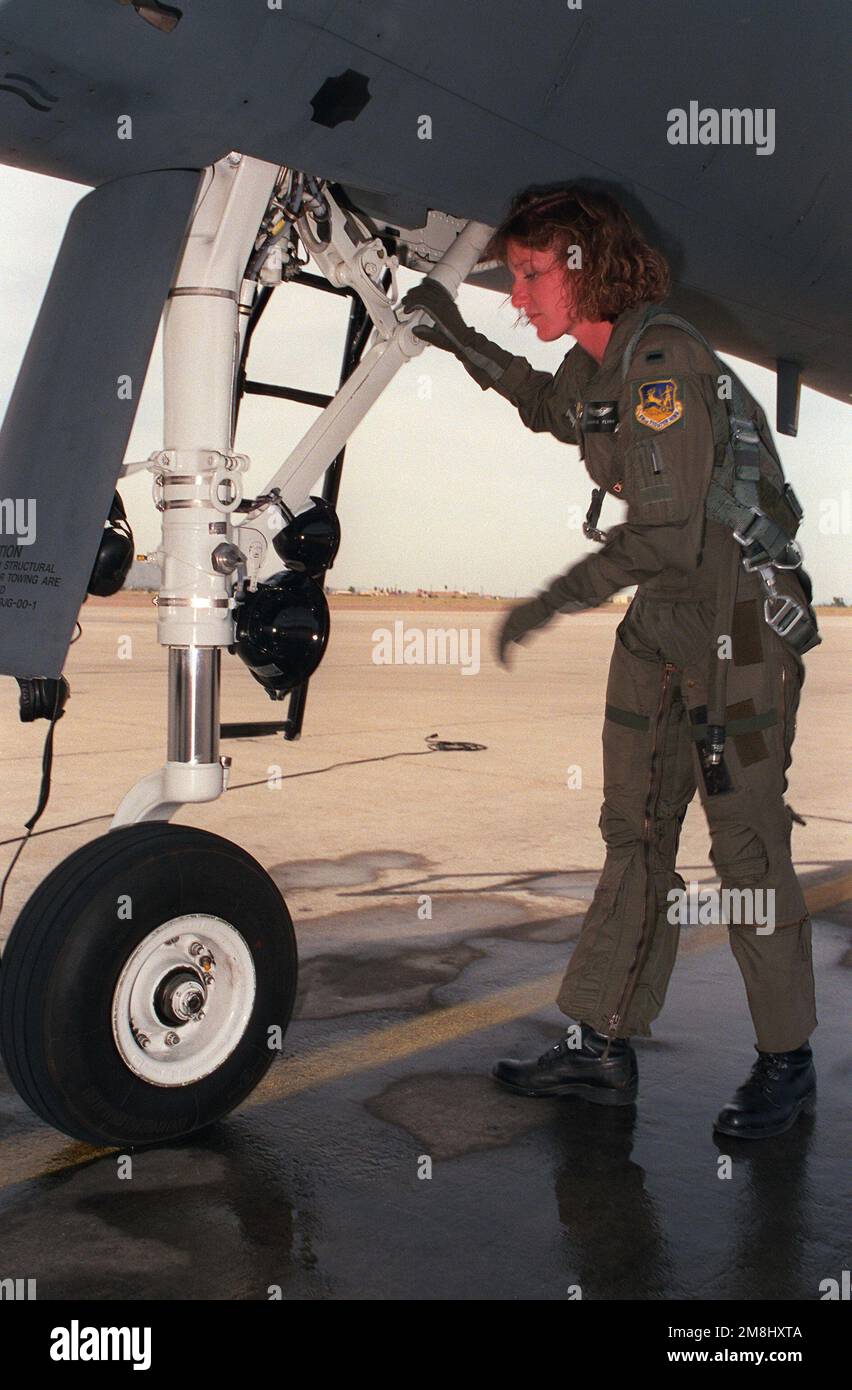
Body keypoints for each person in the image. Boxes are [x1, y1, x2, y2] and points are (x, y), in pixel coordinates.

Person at [400, 186, 821, 1139]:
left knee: (746, 848)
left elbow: (668, 539)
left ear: (586, 266)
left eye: (533, 273)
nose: (519, 293)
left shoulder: (663, 359)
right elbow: (549, 407)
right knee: (633, 829)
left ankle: (786, 1064)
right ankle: (600, 1048)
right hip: (664, 624)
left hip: (735, 624)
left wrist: (547, 603)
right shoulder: (598, 370)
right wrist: (457, 339)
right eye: (512, 277)